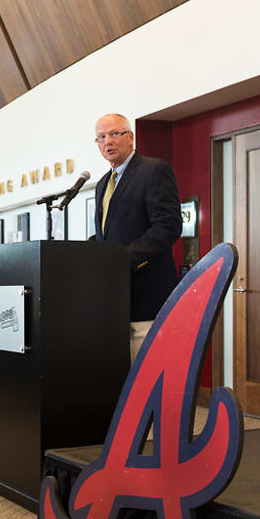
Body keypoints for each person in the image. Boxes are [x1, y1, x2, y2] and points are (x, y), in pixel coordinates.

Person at [91, 113, 182, 360]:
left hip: (147, 295)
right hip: (115, 299)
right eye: (100, 137)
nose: (107, 141)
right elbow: (108, 235)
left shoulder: (153, 170)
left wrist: (125, 259)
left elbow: (169, 226)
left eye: (113, 134)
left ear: (130, 137)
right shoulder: (102, 184)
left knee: (146, 380)